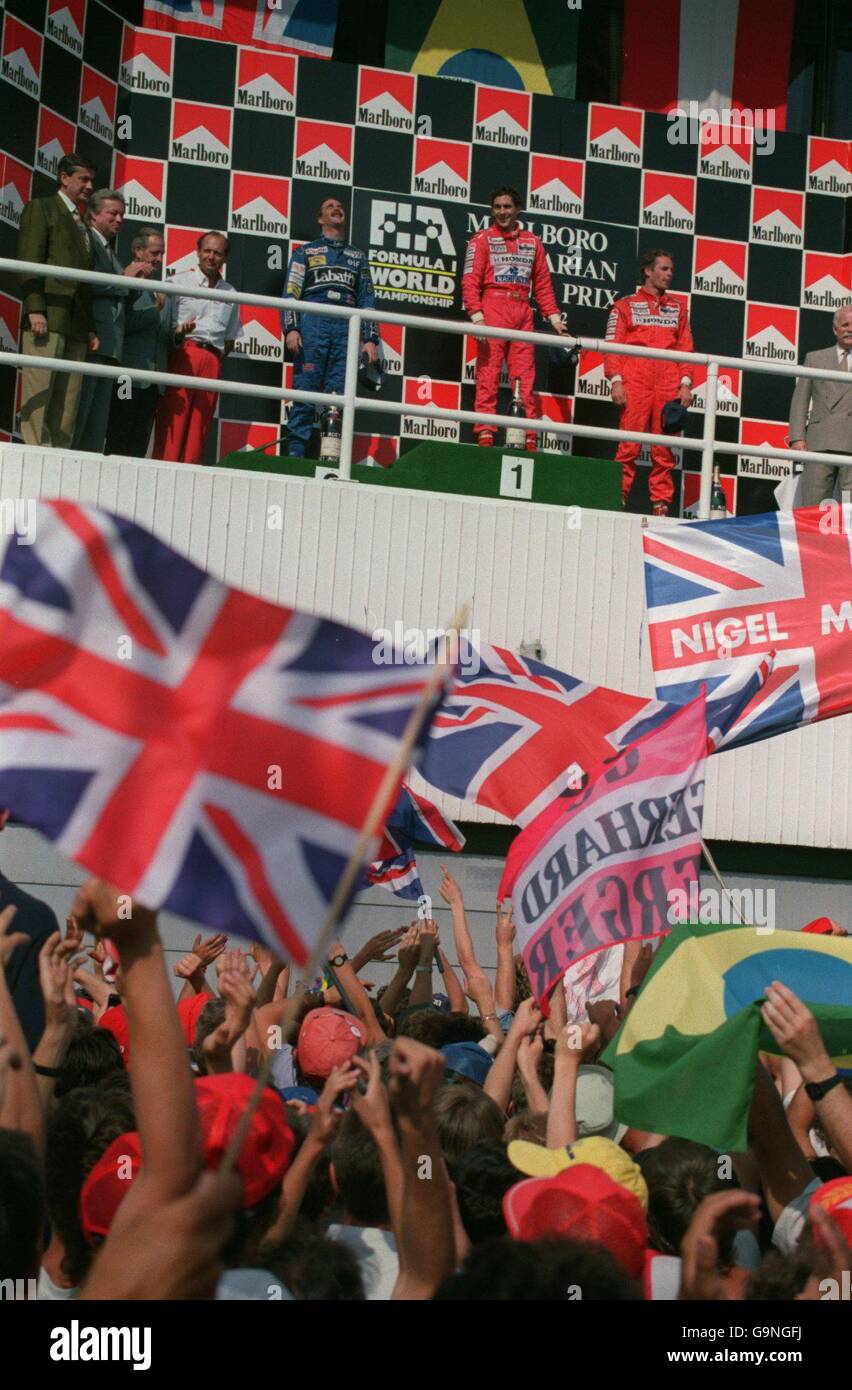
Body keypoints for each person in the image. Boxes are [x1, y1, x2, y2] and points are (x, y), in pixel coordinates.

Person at [462, 185, 567, 449]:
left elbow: (542, 284)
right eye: (497, 207)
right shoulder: (481, 239)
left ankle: (526, 436)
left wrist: (554, 319)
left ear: (518, 209)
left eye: (507, 207)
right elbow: (470, 281)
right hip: (493, 306)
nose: (502, 212)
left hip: (522, 310)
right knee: (488, 374)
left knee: (524, 378)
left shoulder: (533, 242)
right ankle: (485, 434)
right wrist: (477, 317)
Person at [282, 197, 378, 457]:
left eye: (340, 207)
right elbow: (291, 293)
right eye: (329, 207)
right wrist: (292, 328)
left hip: (345, 328)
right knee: (304, 393)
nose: (337, 209)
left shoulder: (358, 257)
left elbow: (367, 299)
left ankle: (331, 457)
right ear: (320, 218)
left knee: (337, 398)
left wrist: (370, 339)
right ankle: (294, 456)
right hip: (313, 324)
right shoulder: (305, 252)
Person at [17, 152, 98, 449]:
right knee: (40, 395)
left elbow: (85, 281)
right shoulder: (42, 208)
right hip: (47, 317)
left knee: (67, 404)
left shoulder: (84, 225)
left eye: (92, 180)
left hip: (76, 324)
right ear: (64, 178)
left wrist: (89, 328)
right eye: (83, 179)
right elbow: (29, 261)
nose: (89, 186)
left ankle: (58, 465)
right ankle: (34, 457)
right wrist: (35, 308)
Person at [604, 248, 694, 517]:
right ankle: (616, 499)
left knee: (664, 449)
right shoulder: (624, 305)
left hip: (667, 383)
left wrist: (686, 382)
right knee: (628, 445)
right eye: (663, 269)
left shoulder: (678, 307)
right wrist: (616, 381)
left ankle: (661, 506)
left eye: (670, 270)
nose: (669, 274)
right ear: (648, 271)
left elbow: (685, 348)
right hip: (635, 380)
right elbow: (613, 346)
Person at [73, 191, 153, 454]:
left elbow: (118, 298)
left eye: (122, 214)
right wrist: (125, 279)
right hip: (94, 341)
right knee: (81, 417)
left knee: (97, 425)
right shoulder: (87, 241)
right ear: (94, 214)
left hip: (111, 348)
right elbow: (86, 281)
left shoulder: (110, 251)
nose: (119, 219)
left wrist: (132, 286)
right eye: (113, 213)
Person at [153, 232, 242, 465]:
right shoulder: (177, 282)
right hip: (184, 353)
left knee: (199, 429)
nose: (211, 257)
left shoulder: (231, 293)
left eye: (217, 253)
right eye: (207, 251)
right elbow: (161, 326)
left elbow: (230, 339)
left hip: (213, 359)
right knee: (173, 422)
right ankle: (162, 475)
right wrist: (180, 335)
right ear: (198, 252)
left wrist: (212, 358)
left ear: (226, 258)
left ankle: (189, 482)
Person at [105, 227, 167, 458]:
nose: (159, 259)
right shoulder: (124, 280)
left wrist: (178, 334)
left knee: (139, 443)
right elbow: (119, 325)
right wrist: (154, 313)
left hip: (152, 381)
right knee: (119, 434)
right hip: (125, 376)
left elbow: (161, 335)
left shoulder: (157, 289)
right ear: (138, 251)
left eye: (162, 253)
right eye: (154, 253)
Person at [788, 302, 852, 506]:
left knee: (849, 510)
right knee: (813, 508)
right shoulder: (815, 358)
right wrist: (797, 439)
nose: (850, 329)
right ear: (835, 329)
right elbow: (800, 401)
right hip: (818, 443)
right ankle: (810, 540)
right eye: (845, 324)